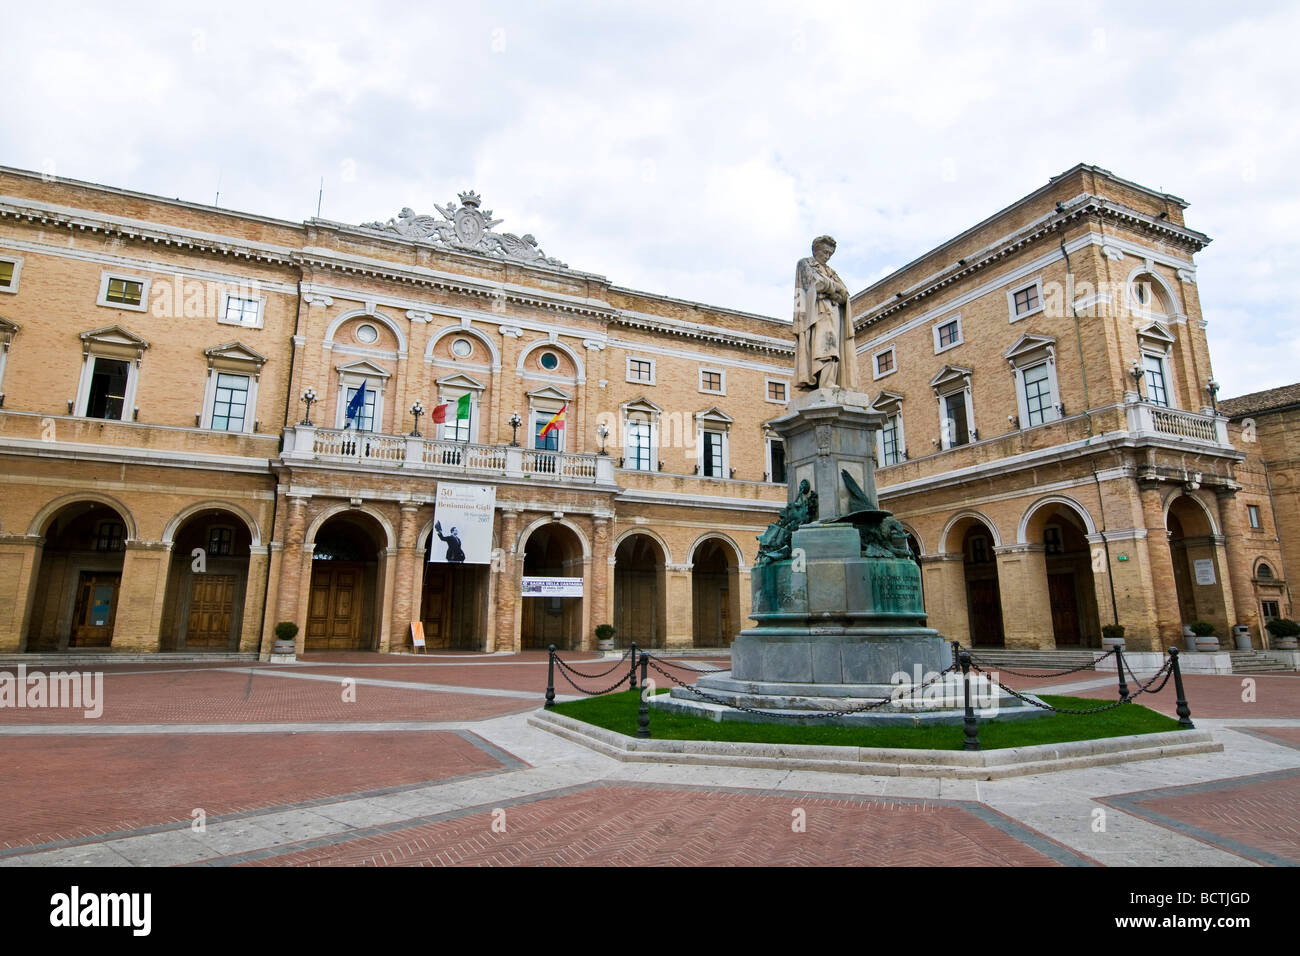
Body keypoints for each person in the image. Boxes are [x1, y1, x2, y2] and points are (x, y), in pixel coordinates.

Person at [793, 235, 857, 391]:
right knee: (825, 348)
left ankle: (829, 382)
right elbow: (815, 283)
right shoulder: (805, 264)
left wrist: (833, 289)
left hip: (833, 313)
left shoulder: (830, 271)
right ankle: (825, 383)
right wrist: (834, 288)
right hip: (816, 315)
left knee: (833, 348)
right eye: (825, 252)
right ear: (816, 250)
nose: (827, 256)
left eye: (830, 253)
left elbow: (844, 294)